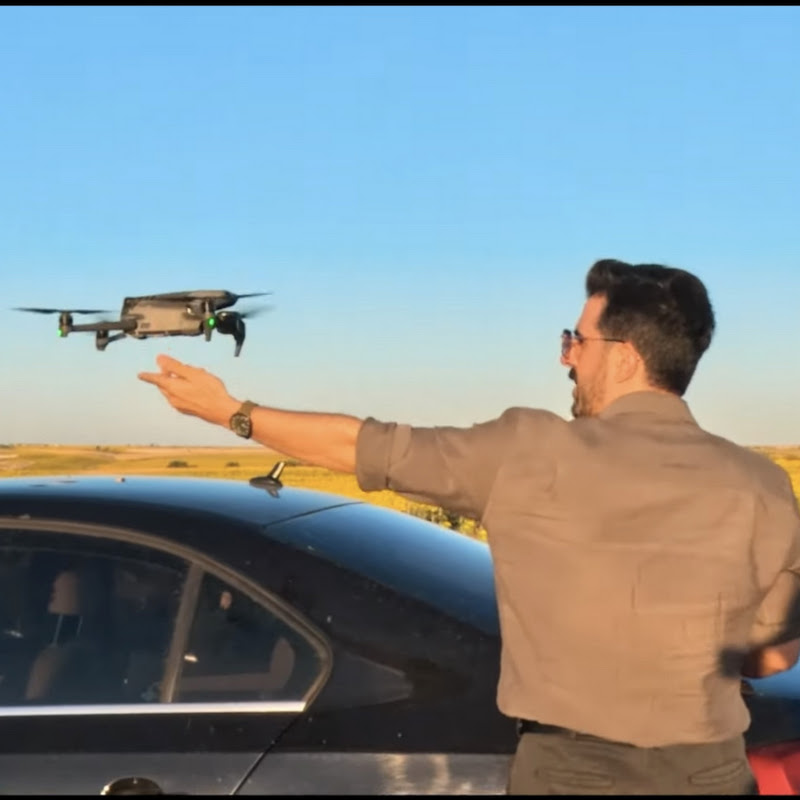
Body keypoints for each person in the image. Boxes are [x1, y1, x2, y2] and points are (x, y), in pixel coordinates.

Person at [138, 258, 800, 795]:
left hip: (575, 775)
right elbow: (771, 658)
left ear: (624, 357)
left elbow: (367, 447)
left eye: (576, 341)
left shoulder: (532, 453)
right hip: (713, 772)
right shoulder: (763, 484)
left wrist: (231, 412)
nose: (567, 359)